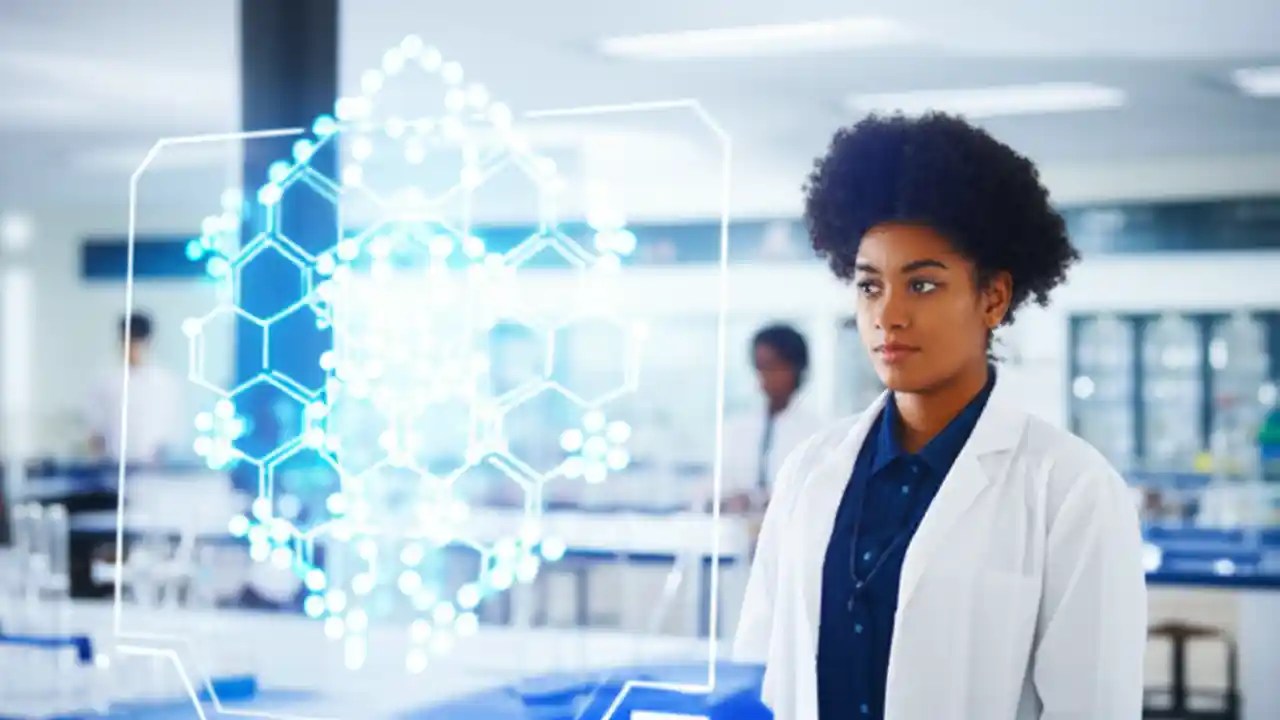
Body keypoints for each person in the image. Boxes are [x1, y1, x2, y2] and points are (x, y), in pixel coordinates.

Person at [733, 113, 1146, 719]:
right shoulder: (810, 472)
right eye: (870, 287)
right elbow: (760, 673)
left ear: (994, 298)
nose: (888, 315)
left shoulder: (1071, 489)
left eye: (922, 286)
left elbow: (1092, 707)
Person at [720, 324, 822, 512]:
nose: (765, 377)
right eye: (760, 367)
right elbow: (719, 485)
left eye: (774, 366)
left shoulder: (817, 433)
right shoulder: (738, 428)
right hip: (741, 530)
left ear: (796, 368)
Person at [85, 312, 182, 464]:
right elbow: (95, 429)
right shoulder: (105, 381)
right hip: (112, 466)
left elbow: (171, 431)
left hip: (152, 467)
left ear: (147, 343)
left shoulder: (165, 382)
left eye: (136, 343)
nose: (131, 348)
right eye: (127, 342)